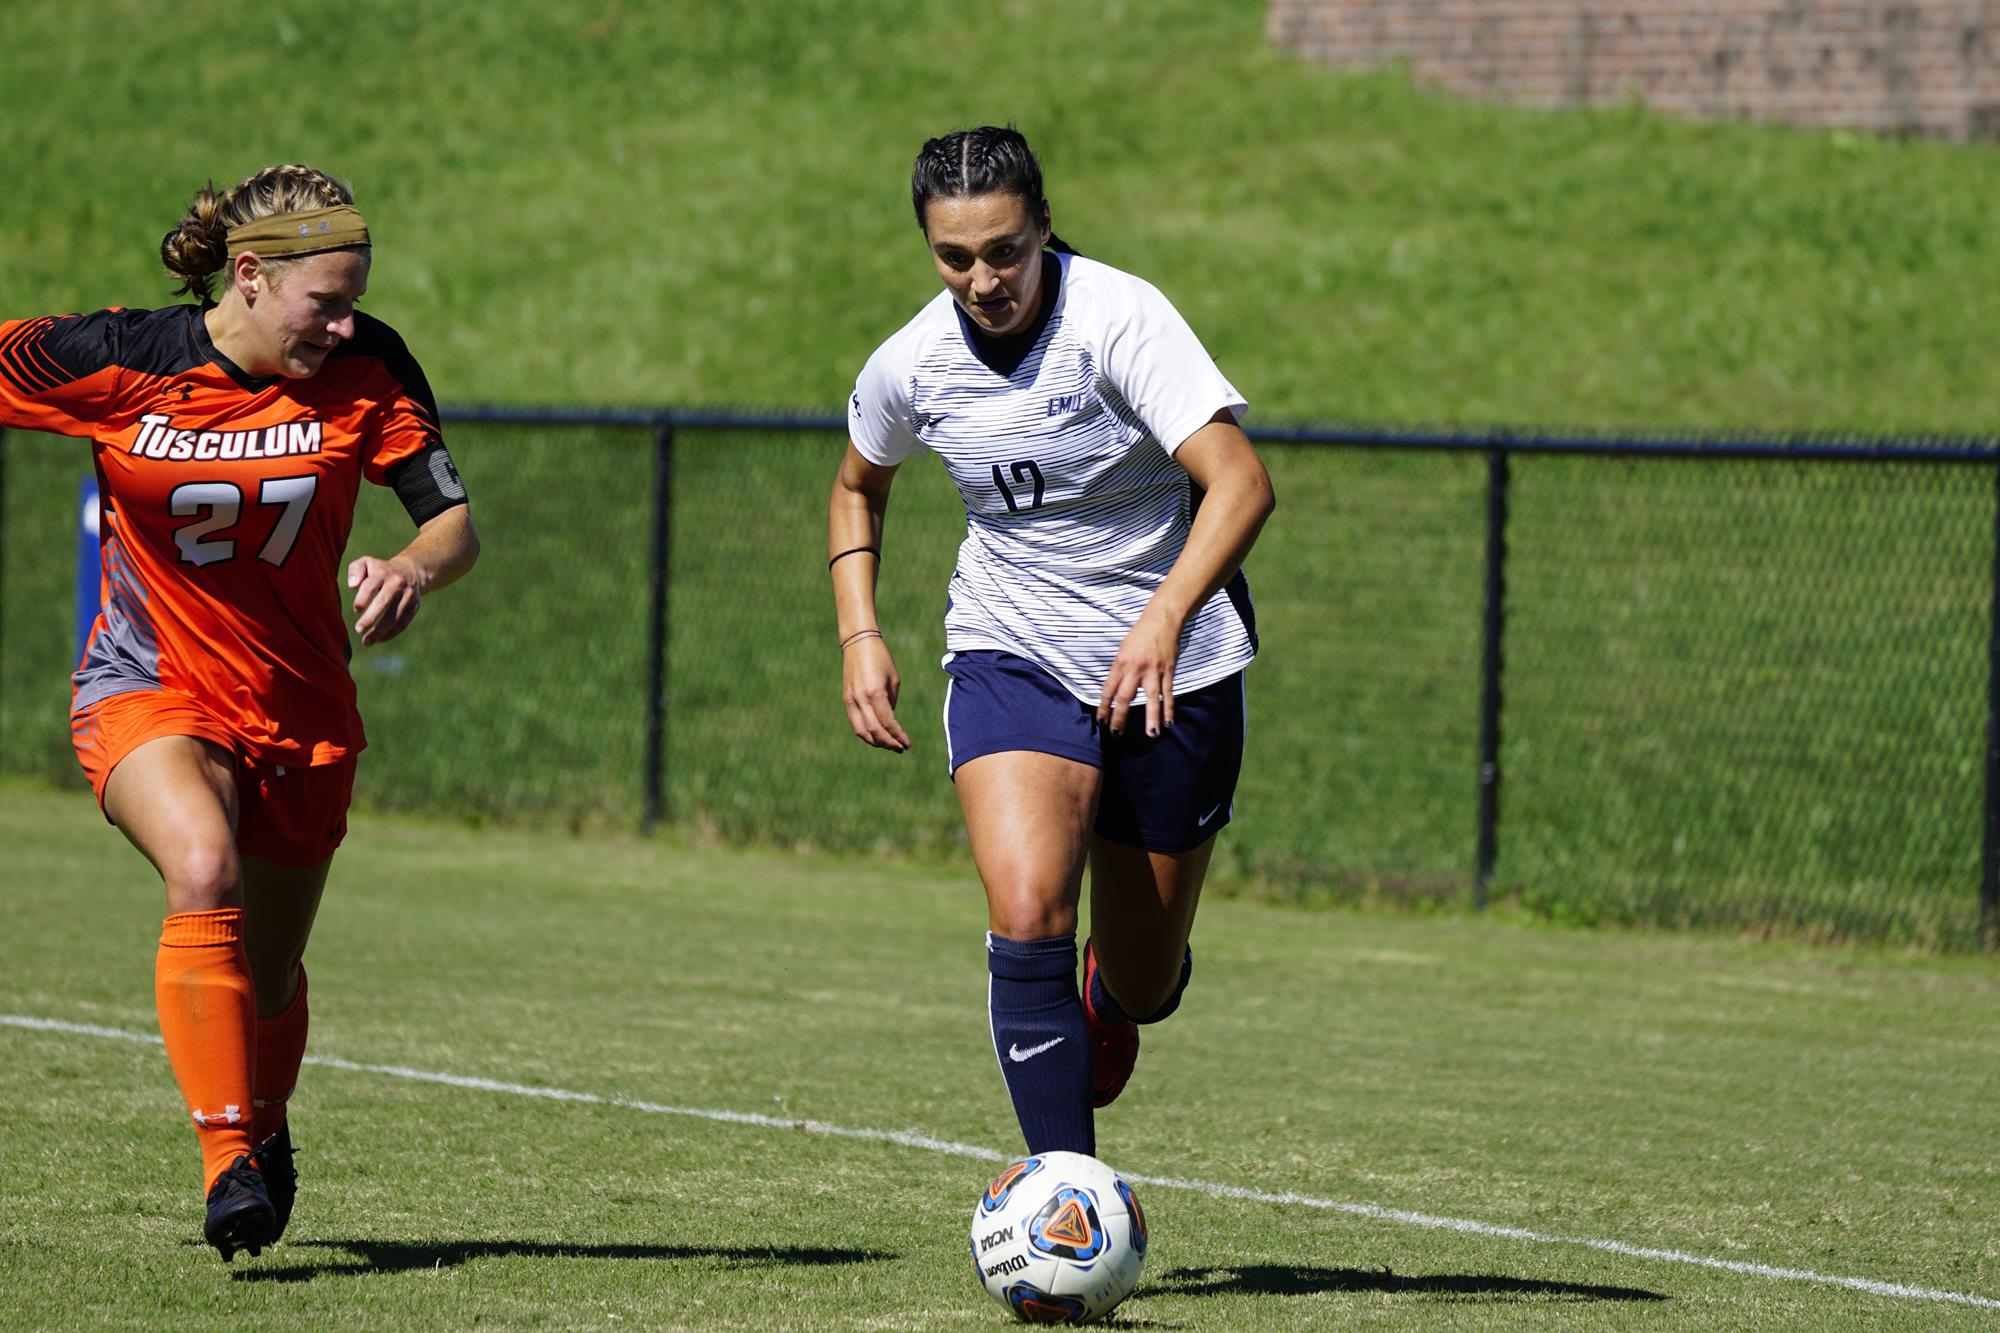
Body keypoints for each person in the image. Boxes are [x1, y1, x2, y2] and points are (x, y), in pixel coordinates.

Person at [0, 164, 479, 1260]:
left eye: (355, 294)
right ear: (251, 277)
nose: (344, 319)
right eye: (326, 299)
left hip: (301, 709)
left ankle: (262, 1125)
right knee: (201, 869)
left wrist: (411, 564)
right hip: (146, 683)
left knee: (266, 974)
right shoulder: (120, 356)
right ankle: (228, 1160)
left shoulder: (370, 364)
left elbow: (453, 524)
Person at [828, 127, 1274, 1158]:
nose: (982, 279)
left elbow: (1239, 481)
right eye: (953, 257)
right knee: (1027, 903)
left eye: (1003, 251)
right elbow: (857, 485)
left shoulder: (1119, 318)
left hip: (1176, 667)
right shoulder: (912, 364)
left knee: (1144, 977)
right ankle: (1063, 1194)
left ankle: (1111, 995)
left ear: (1040, 227)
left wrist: (1160, 617)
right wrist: (860, 631)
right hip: (1012, 648)